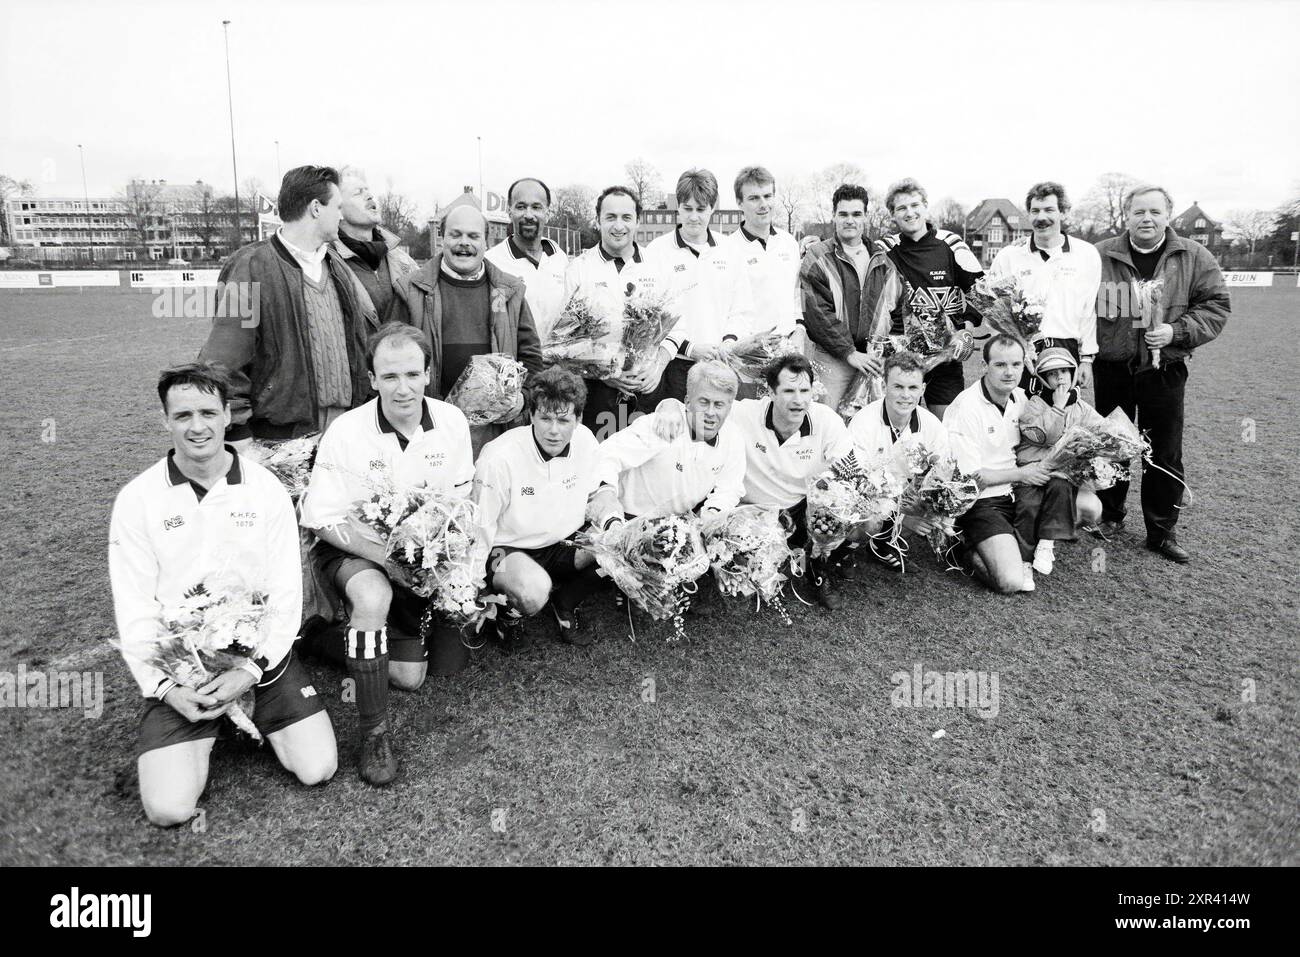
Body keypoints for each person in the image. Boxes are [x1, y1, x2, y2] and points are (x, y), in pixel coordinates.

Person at [109, 363, 337, 826]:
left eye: (208, 412)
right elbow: (134, 607)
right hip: (185, 669)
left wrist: (252, 668)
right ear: (165, 420)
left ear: (227, 415)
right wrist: (166, 686)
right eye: (183, 415)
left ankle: (242, 709)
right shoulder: (138, 499)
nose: (197, 426)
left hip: (259, 660)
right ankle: (208, 719)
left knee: (318, 769)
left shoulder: (265, 487)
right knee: (169, 810)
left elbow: (286, 592)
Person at [298, 323, 475, 786]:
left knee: (419, 674)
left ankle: (324, 638)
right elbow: (320, 518)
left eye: (413, 374)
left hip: (421, 561)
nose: (403, 388)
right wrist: (387, 556)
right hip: (353, 553)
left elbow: (459, 504)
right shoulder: (347, 430)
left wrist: (446, 562)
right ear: (372, 378)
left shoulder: (452, 422)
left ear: (429, 374)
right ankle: (374, 733)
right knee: (373, 597)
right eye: (390, 376)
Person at [649, 353, 854, 609]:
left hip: (803, 508)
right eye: (789, 390)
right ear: (770, 391)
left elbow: (849, 473)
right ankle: (704, 577)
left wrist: (829, 517)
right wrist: (667, 404)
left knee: (846, 519)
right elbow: (703, 404)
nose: (799, 400)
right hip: (750, 512)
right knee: (745, 572)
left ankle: (819, 566)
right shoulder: (744, 413)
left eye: (805, 390)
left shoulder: (827, 420)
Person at [1091, 185, 1230, 563]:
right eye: (1139, 212)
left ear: (1168, 215)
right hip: (1113, 368)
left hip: (1165, 369)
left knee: (1163, 452)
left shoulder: (1192, 255)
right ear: (1127, 216)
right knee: (1111, 446)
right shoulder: (1101, 255)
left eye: (1154, 211)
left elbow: (1216, 305)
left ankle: (1162, 530)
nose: (1146, 219)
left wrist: (1176, 331)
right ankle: (1107, 515)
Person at [198, 165, 378, 444]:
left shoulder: (338, 268)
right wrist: (237, 430)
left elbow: (358, 346)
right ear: (316, 208)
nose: (341, 215)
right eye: (337, 207)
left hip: (344, 433)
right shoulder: (251, 267)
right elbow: (223, 360)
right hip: (279, 438)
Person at [388, 204, 543, 455]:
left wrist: (524, 397)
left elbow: (533, 357)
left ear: (486, 242)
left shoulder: (508, 290)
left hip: (496, 434)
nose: (464, 243)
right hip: (429, 430)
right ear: (442, 237)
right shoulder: (411, 290)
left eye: (473, 236)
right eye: (455, 234)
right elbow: (390, 360)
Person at [472, 367, 604, 648]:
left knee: (616, 546)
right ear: (531, 415)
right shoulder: (499, 457)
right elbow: (480, 525)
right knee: (533, 591)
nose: (553, 430)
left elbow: (595, 492)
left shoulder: (587, 441)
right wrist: (474, 584)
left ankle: (565, 600)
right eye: (545, 418)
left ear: (579, 419)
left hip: (562, 543)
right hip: (506, 551)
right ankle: (509, 614)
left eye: (563, 419)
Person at [561, 185, 673, 438]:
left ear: (638, 221)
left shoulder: (658, 267)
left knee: (646, 465)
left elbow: (679, 329)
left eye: (626, 217)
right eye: (610, 217)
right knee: (601, 466)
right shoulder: (579, 269)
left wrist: (657, 366)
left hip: (647, 389)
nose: (618, 226)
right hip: (597, 393)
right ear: (598, 220)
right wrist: (604, 373)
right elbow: (566, 342)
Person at [944, 335, 1046, 593]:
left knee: (1088, 507)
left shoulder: (1023, 399)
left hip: (1020, 494)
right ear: (984, 365)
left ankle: (1008, 542)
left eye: (1016, 364)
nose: (1009, 372)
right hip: (982, 500)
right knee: (1011, 582)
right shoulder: (965, 407)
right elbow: (972, 478)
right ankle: (964, 545)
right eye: (1000, 365)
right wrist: (1022, 474)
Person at [874, 178, 982, 419]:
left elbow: (981, 292)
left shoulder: (951, 243)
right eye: (901, 208)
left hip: (945, 358)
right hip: (899, 359)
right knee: (896, 425)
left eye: (915, 205)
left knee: (948, 427)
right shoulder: (884, 249)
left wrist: (966, 328)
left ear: (925, 206)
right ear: (892, 214)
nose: (909, 212)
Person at [644, 168, 754, 403]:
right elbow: (652, 316)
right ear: (678, 207)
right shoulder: (657, 251)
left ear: (712, 208)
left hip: (721, 365)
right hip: (675, 367)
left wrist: (729, 342)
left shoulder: (730, 251)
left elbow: (742, 308)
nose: (694, 217)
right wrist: (689, 348)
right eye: (687, 209)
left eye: (701, 209)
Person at [588, 361, 746, 522]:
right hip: (626, 518)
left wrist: (712, 514)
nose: (710, 412)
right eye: (704, 402)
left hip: (676, 526)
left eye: (719, 405)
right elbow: (607, 454)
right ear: (687, 401)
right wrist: (605, 493)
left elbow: (730, 488)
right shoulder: (662, 424)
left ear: (730, 407)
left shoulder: (733, 437)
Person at [987, 182, 1102, 388]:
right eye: (1035, 211)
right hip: (1017, 350)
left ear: (1063, 213)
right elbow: (993, 311)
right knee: (1015, 415)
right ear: (1028, 215)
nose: (1041, 217)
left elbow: (1089, 310)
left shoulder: (1086, 254)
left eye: (1049, 210)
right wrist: (1004, 350)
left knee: (1060, 414)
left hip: (1065, 347)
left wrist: (1086, 359)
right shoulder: (1009, 256)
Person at [847, 350, 952, 569]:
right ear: (884, 386)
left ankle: (883, 544)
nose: (906, 395)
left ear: (922, 389)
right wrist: (903, 517)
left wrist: (932, 509)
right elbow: (857, 486)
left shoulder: (933, 427)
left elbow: (943, 478)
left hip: (907, 497)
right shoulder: (863, 422)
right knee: (869, 519)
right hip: (870, 499)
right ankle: (845, 551)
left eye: (913, 387)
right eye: (898, 386)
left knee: (944, 503)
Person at [800, 183, 894, 410]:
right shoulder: (818, 256)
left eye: (856, 214)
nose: (849, 220)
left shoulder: (882, 260)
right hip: (833, 359)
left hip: (872, 360)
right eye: (843, 214)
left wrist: (885, 350)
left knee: (870, 425)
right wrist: (849, 352)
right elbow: (817, 312)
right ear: (834, 216)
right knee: (827, 420)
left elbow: (896, 308)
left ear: (866, 217)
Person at [1013, 347, 1105, 575]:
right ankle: (1024, 560)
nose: (1061, 377)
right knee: (1028, 505)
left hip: (1061, 474)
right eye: (1053, 374)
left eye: (1065, 371)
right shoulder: (1034, 404)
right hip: (1032, 469)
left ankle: (1046, 542)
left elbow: (1104, 431)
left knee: (1062, 486)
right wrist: (1057, 407)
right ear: (1043, 379)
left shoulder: (1082, 407)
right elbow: (1044, 437)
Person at [724, 166, 804, 349]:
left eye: (767, 196)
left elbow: (798, 295)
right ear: (739, 202)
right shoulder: (728, 249)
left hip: (788, 349)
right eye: (754, 198)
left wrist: (800, 329)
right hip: (749, 352)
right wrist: (744, 344)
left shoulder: (789, 242)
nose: (763, 204)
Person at [484, 177, 569, 340]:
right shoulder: (492, 262)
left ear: (548, 212)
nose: (528, 215)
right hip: (516, 362)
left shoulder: (559, 257)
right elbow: (494, 321)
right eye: (521, 207)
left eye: (536, 207)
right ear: (510, 211)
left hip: (559, 362)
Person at [333, 167, 419, 320]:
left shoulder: (404, 262)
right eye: (358, 192)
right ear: (337, 210)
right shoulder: (329, 265)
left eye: (367, 190)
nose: (369, 196)